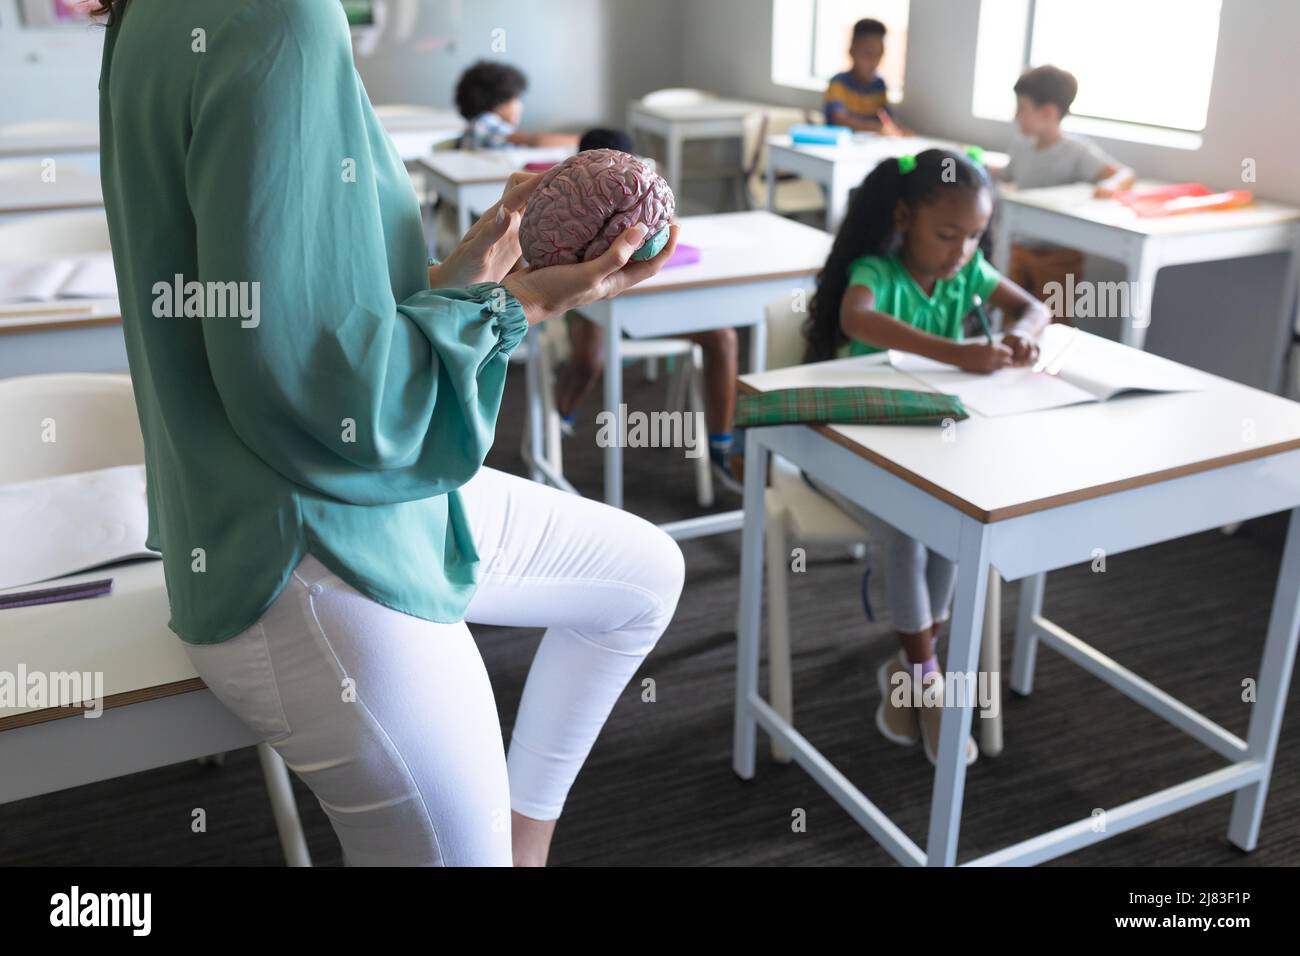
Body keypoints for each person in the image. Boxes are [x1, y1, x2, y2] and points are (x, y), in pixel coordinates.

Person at [95, 0, 682, 867]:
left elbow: (304, 309)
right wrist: (519, 305)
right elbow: (329, 396)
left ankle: (521, 844)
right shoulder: (279, 17)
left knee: (641, 577)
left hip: (274, 507)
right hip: (310, 551)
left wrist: (482, 260)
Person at [802, 148, 1051, 766]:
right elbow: (856, 316)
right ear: (905, 217)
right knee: (911, 530)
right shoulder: (876, 272)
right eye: (947, 234)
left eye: (974, 237)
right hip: (838, 448)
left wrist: (1026, 334)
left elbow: (1034, 306)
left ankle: (913, 671)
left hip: (923, 452)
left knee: (951, 524)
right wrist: (955, 353)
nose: (962, 251)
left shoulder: (968, 273)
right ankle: (927, 681)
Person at [552, 127, 746, 492]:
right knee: (589, 360)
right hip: (592, 301)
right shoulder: (569, 205)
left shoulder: (643, 195)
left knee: (723, 336)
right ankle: (560, 414)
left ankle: (721, 445)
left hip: (646, 304)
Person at [990, 65, 1136, 323]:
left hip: (1059, 256)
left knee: (1053, 320)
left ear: (1048, 112)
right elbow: (1008, 174)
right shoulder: (1022, 147)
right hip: (1019, 248)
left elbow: (1124, 174)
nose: (1016, 116)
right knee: (1012, 315)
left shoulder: (1075, 151)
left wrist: (1111, 186)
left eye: (1022, 108)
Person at [454, 59, 579, 150]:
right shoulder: (485, 123)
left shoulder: (475, 124)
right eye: (517, 99)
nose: (520, 107)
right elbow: (533, 141)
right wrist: (583, 141)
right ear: (500, 103)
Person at [823, 17, 909, 135]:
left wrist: (898, 130)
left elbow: (887, 120)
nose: (874, 61)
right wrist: (878, 128)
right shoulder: (838, 83)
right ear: (852, 51)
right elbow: (839, 120)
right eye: (868, 54)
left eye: (879, 54)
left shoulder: (879, 85)